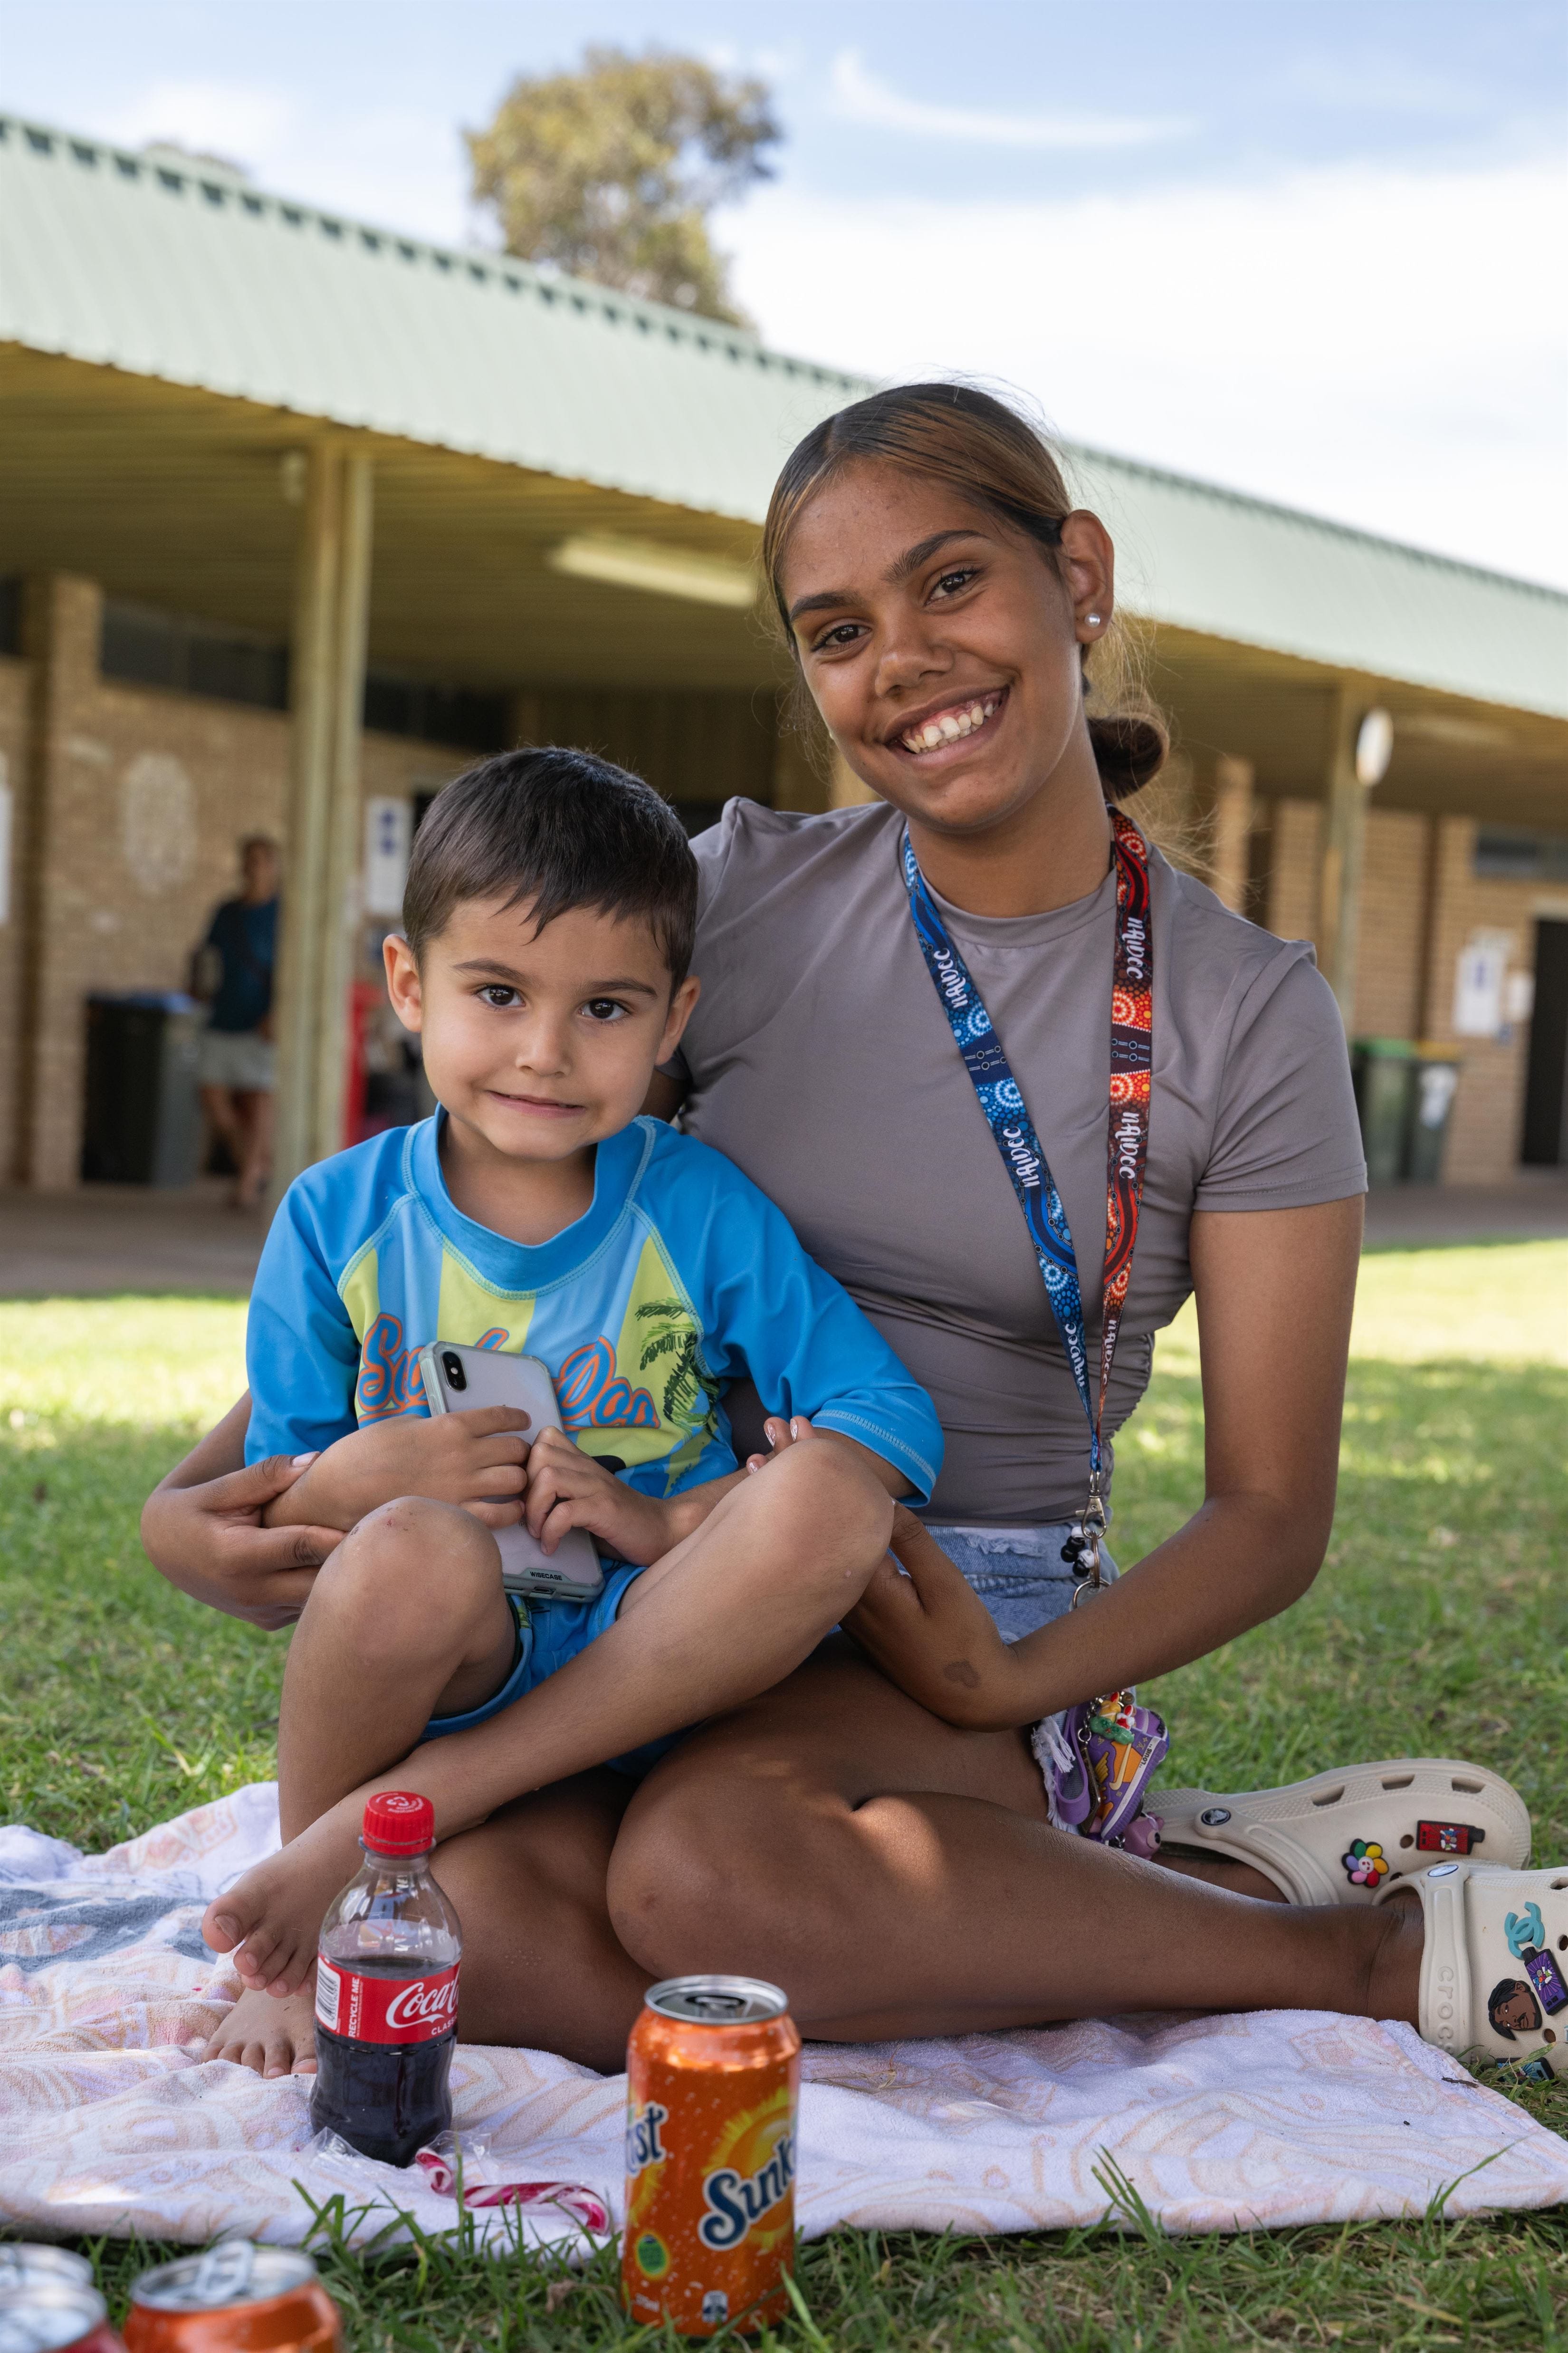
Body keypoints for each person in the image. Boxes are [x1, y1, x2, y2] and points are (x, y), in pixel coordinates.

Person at [144, 384, 1557, 2088]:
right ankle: (1135, 1882)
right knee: (468, 1929)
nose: (902, 659)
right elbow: (459, 1188)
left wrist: (1001, 1676)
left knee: (703, 1877)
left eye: (951, 584)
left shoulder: (1245, 1012)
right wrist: (226, 1490)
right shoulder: (727, 897)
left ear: (1078, 581)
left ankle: (1345, 1948)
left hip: (941, 1599)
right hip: (633, 1565)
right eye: (837, 627)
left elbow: (1268, 1514)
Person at [198, 748, 942, 2021]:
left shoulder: (693, 1206)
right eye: (496, 992)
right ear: (408, 985)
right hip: (464, 1655)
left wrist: (667, 1521)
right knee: (402, 1557)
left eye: (604, 1008)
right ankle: (326, 1911)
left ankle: (421, 1819)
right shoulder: (335, 1221)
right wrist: (350, 1479)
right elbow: (285, 1538)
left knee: (829, 1495)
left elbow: (886, 1417)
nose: (543, 1052)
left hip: (671, 1661)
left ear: (672, 1017)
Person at [193, 835, 279, 1210]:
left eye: (261, 860)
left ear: (273, 866)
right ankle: (256, 1163)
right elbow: (205, 955)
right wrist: (198, 984)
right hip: (223, 1015)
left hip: (260, 1022)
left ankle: (247, 1183)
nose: (253, 867)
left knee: (260, 1099)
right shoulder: (226, 912)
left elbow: (292, 970)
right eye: (249, 859)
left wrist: (277, 1014)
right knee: (212, 1095)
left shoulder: (283, 913)